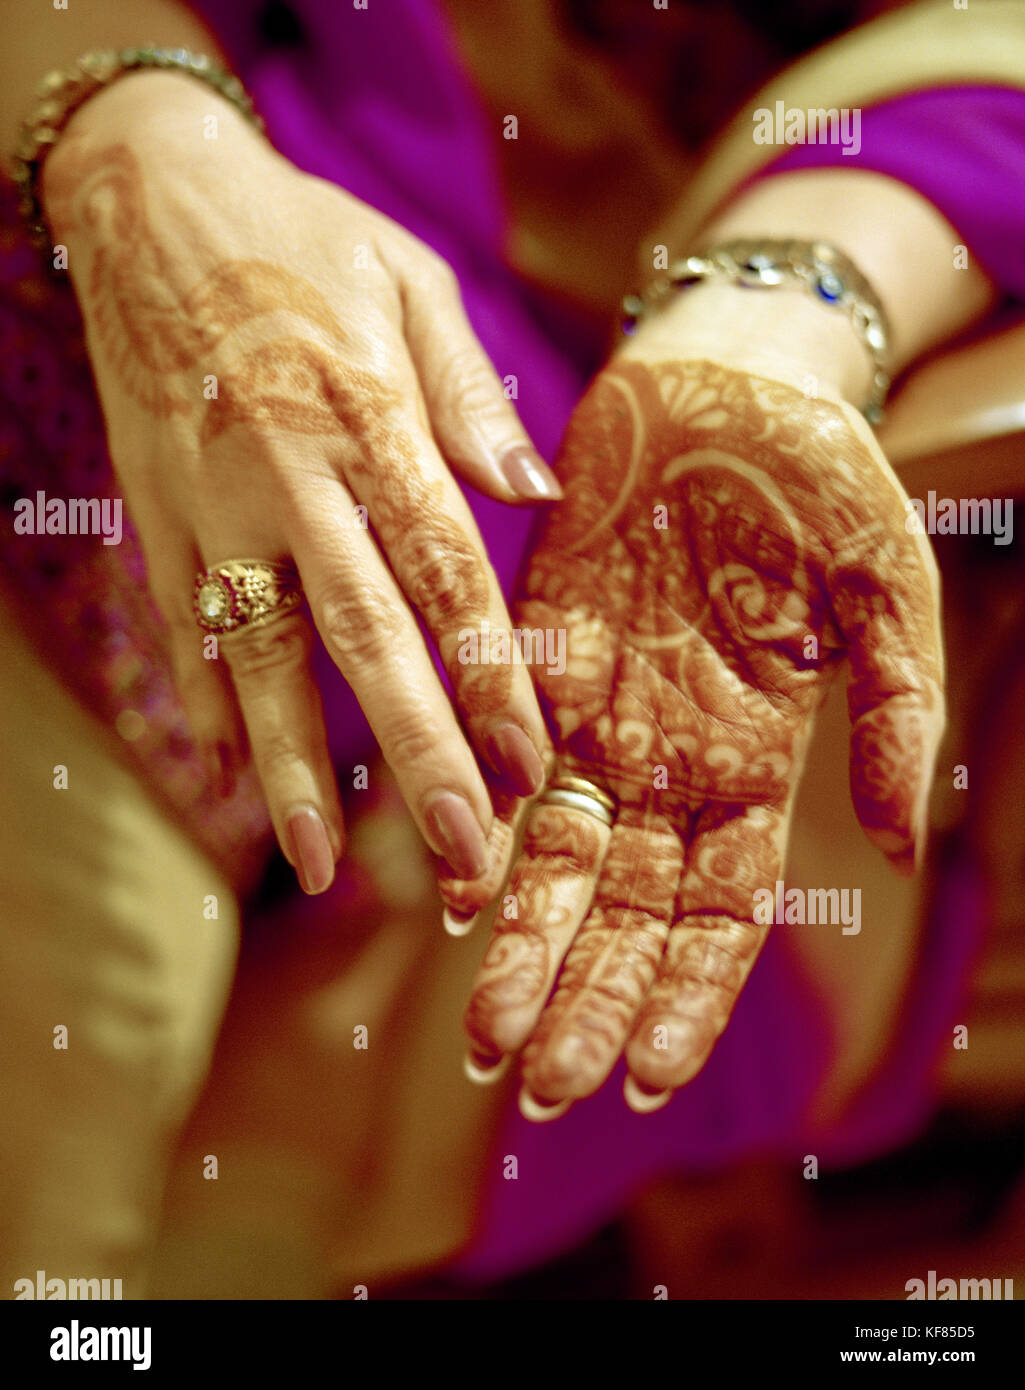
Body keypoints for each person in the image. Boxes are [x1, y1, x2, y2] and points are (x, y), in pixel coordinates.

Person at [1, 0, 1023, 1295]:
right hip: (131, 305)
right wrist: (135, 138)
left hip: (614, 601)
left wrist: (764, 320)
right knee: (101, 1042)